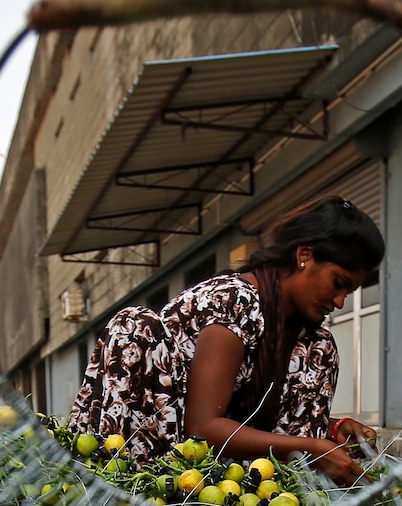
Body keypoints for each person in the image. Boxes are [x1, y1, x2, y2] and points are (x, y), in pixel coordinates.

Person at [68, 196, 383, 484]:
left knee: (321, 348)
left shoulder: (312, 343)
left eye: (349, 292)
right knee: (136, 325)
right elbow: (203, 426)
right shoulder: (233, 303)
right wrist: (313, 449)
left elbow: (257, 410)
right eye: (338, 283)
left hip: (226, 480)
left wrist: (330, 430)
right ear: (304, 255)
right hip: (158, 467)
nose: (340, 301)